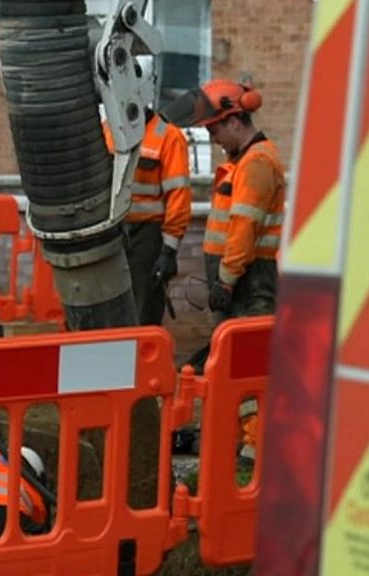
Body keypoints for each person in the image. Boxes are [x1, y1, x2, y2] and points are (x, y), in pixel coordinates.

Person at [161, 79, 286, 461]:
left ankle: (255, 448)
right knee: (235, 363)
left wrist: (227, 282)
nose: (212, 137)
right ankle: (240, 443)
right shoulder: (243, 163)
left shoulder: (257, 164)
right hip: (239, 280)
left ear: (235, 120)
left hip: (247, 282)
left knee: (247, 364)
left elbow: (244, 230)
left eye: (214, 128)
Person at [102, 75, 192, 326]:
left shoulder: (168, 137)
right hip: (111, 233)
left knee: (143, 309)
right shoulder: (107, 130)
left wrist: (168, 250)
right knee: (109, 307)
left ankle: (140, 360)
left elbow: (179, 196)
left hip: (147, 238)